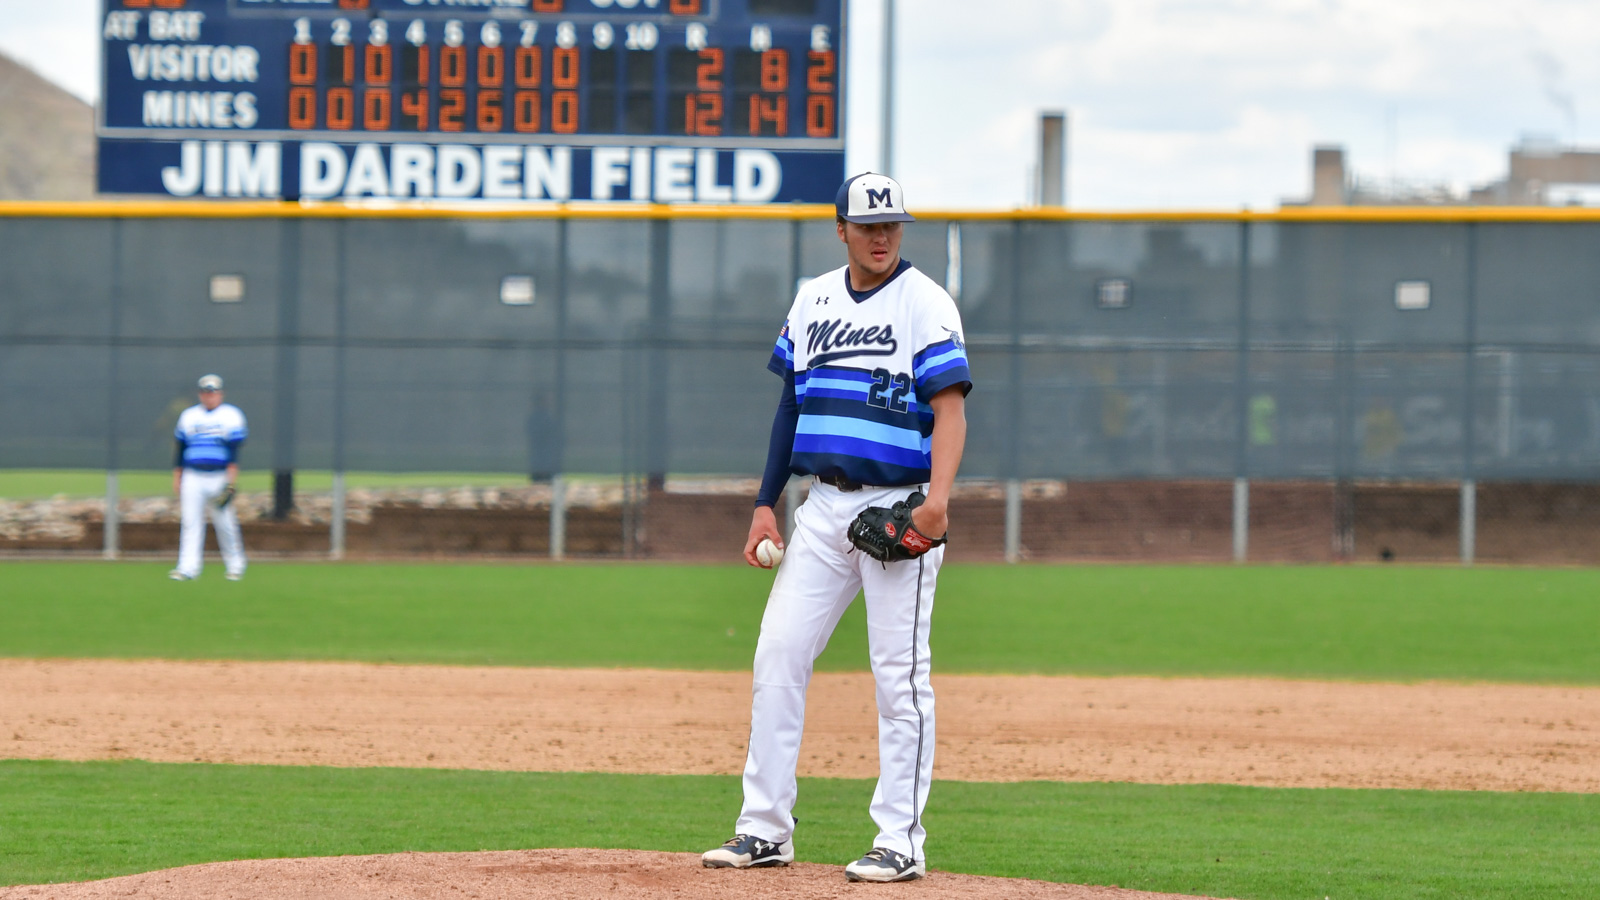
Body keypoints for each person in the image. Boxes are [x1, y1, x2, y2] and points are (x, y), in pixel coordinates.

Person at [702, 174, 971, 883]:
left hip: (898, 506)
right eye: (867, 225)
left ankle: (901, 841)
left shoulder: (926, 303)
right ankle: (764, 827)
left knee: (899, 678)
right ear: (842, 228)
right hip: (822, 509)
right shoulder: (814, 298)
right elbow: (791, 404)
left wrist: (937, 500)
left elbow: (949, 409)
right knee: (778, 653)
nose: (881, 236)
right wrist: (767, 500)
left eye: (892, 225)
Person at [169, 374, 248, 581]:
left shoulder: (231, 415)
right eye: (205, 392)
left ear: (220, 394)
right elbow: (181, 448)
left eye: (213, 392)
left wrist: (231, 481)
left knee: (225, 522)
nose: (209, 396)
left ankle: (235, 565)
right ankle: (188, 567)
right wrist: (178, 476)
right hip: (193, 475)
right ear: (200, 394)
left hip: (219, 475)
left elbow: (234, 452)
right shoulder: (188, 416)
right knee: (190, 522)